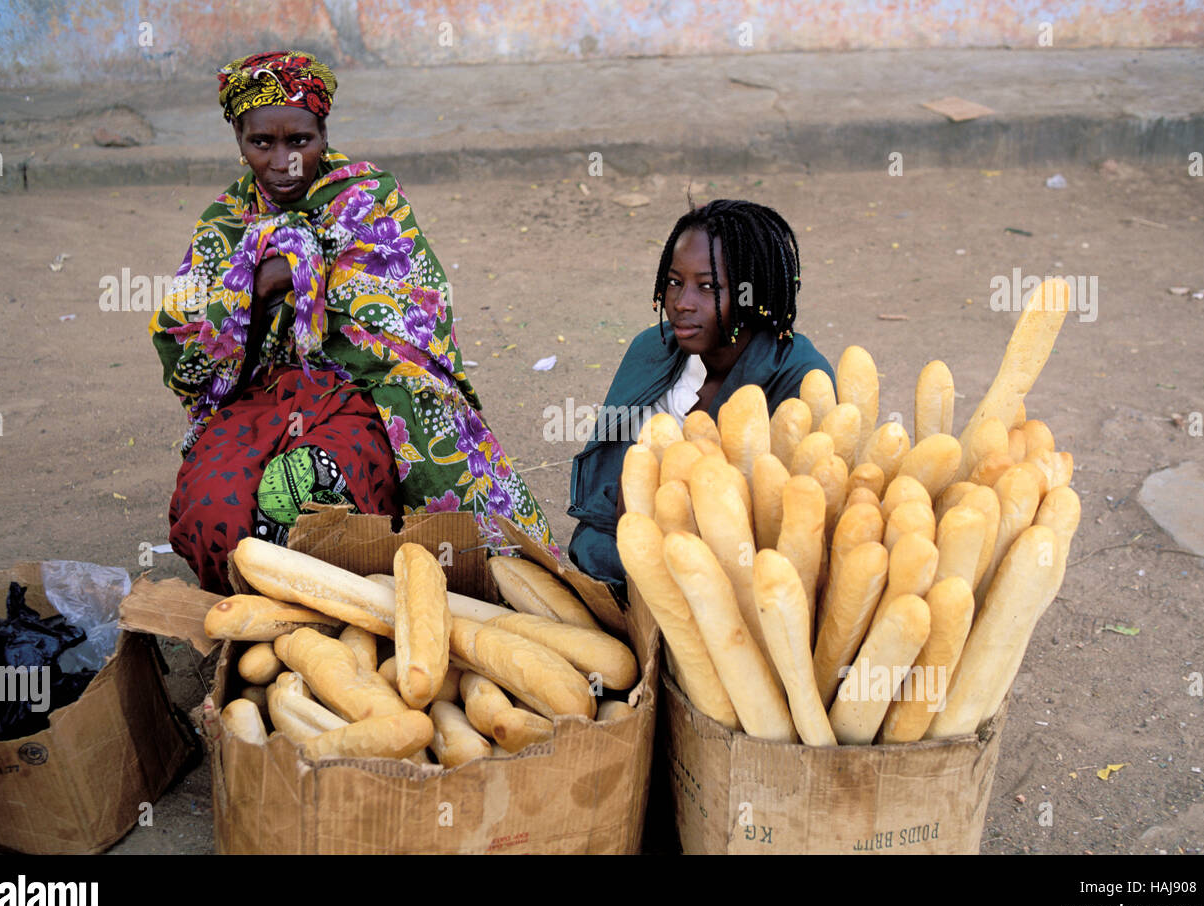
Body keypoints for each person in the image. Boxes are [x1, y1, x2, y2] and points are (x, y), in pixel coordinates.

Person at [151, 51, 555, 593]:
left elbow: (413, 326)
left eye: (300, 141)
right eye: (261, 143)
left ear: (323, 134)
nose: (284, 162)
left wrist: (304, 278)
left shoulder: (370, 203)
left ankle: (345, 596)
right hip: (260, 401)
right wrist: (258, 289)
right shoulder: (223, 225)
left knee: (306, 490)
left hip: (363, 394)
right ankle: (254, 606)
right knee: (212, 510)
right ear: (238, 141)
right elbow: (188, 354)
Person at [567, 198, 836, 593]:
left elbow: (801, 525)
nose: (682, 303)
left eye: (708, 287)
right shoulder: (652, 352)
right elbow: (610, 497)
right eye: (675, 282)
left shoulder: (801, 379)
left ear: (750, 294)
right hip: (633, 562)